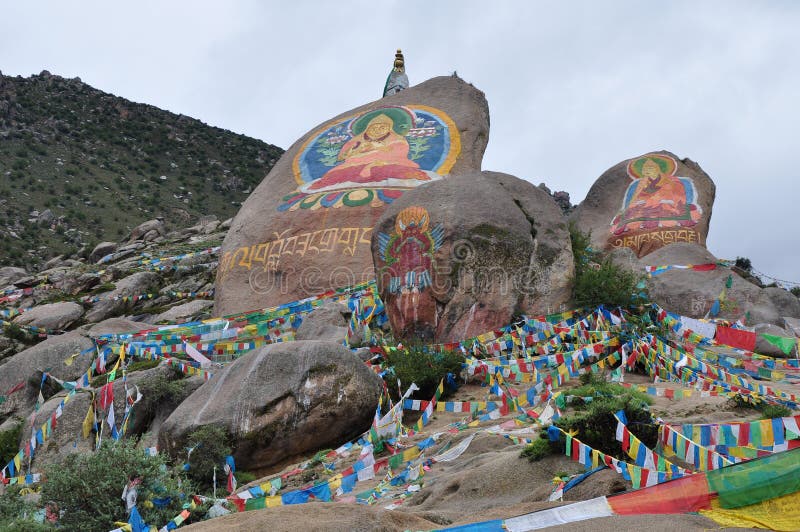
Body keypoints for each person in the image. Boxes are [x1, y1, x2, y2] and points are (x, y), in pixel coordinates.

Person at [306, 112, 430, 191]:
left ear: (389, 129)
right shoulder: (357, 141)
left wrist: (381, 150)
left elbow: (400, 153)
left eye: (383, 127)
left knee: (394, 172)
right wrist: (359, 149)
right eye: (374, 127)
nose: (378, 130)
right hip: (354, 164)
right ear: (367, 129)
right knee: (335, 176)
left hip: (384, 163)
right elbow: (342, 157)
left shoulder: (397, 139)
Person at [610, 155, 701, 235]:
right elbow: (636, 197)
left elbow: (677, 193)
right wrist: (639, 201)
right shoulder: (642, 182)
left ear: (657, 169)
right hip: (646, 205)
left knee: (667, 206)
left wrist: (661, 197)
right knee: (631, 211)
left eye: (650, 169)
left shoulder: (672, 180)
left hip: (667, 203)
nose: (648, 171)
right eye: (645, 170)